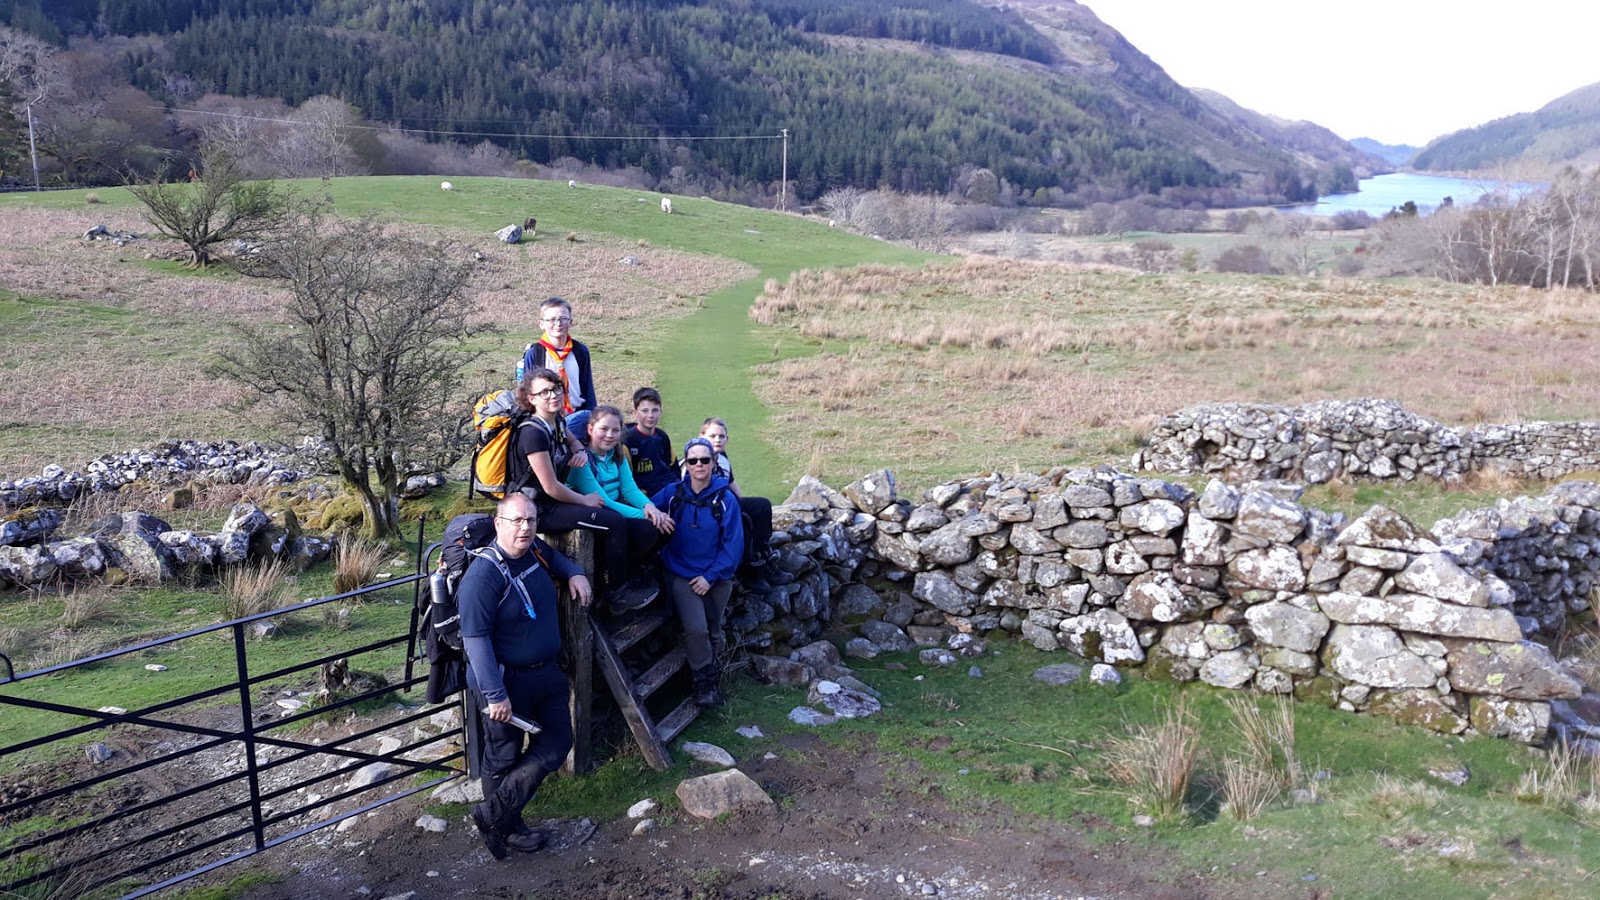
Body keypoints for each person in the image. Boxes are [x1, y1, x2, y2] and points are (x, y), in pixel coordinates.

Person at [459, 493, 593, 859]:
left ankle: (492, 815)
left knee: (557, 740)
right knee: (502, 755)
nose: (525, 527)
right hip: (507, 682)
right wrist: (494, 694)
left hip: (545, 673)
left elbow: (556, 557)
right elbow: (475, 640)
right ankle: (509, 828)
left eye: (531, 521)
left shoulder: (533, 549)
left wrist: (575, 572)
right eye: (517, 521)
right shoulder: (482, 577)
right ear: (498, 524)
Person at [510, 368, 654, 612]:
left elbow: (572, 440)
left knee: (611, 521)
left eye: (556, 388)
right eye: (544, 392)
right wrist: (584, 500)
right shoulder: (533, 434)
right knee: (614, 522)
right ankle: (616, 593)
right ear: (531, 398)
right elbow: (550, 486)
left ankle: (612, 583)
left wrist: (578, 449)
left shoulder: (555, 421)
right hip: (538, 510)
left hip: (553, 502)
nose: (553, 395)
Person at [651, 437, 743, 707]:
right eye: (693, 460)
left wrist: (711, 576)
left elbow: (733, 544)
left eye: (705, 459)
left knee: (714, 630)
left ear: (714, 463)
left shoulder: (726, 499)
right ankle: (703, 687)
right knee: (697, 630)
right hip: (681, 574)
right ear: (686, 464)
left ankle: (710, 681)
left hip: (716, 576)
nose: (699, 464)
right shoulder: (673, 494)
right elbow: (644, 509)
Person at [565, 405, 675, 588]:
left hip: (615, 509)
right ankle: (617, 585)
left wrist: (650, 508)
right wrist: (647, 515)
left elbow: (630, 489)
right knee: (648, 528)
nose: (610, 435)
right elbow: (604, 502)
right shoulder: (582, 461)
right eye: (604, 429)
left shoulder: (617, 454)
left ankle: (637, 570)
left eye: (615, 430)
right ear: (590, 429)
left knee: (666, 528)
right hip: (597, 513)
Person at [698, 417, 773, 568]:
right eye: (712, 436)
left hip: (727, 503)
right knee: (743, 519)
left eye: (721, 436)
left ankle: (762, 552)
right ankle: (748, 568)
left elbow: (731, 483)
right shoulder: (697, 460)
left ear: (727, 439)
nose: (717, 440)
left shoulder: (722, 458)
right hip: (706, 511)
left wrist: (741, 501)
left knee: (762, 506)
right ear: (701, 437)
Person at [518, 297, 597, 420]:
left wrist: (592, 416)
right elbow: (528, 392)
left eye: (563, 318)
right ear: (541, 324)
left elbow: (588, 388)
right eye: (552, 320)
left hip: (577, 415)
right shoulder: (535, 353)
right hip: (546, 418)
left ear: (570, 322)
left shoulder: (580, 351)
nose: (558, 324)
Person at [623, 387, 677, 497]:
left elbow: (673, 465)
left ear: (660, 412)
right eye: (645, 411)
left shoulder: (662, 436)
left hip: (669, 488)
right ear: (635, 412)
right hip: (645, 495)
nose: (651, 415)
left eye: (655, 410)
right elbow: (627, 478)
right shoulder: (628, 441)